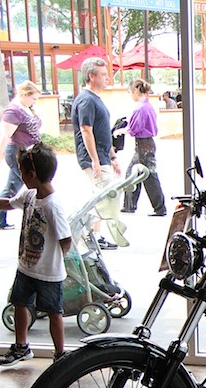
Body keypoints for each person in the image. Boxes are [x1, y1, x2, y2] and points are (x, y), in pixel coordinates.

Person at [0, 144, 71, 365]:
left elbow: (66, 239)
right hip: (26, 267)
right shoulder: (29, 195)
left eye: (21, 171)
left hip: (49, 274)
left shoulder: (53, 206)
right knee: (19, 303)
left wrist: (55, 261)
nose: (20, 175)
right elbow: (8, 204)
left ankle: (60, 355)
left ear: (32, 174)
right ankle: (21, 346)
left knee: (55, 312)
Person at [71, 57, 124, 250]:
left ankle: (93, 234)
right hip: (93, 158)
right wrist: (94, 160)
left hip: (102, 156)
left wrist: (112, 157)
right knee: (104, 196)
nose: (107, 78)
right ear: (91, 76)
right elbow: (86, 130)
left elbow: (103, 132)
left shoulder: (95, 99)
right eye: (103, 74)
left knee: (102, 195)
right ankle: (90, 233)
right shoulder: (86, 100)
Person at [0, 80, 43, 229]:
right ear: (24, 94)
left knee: (11, 188)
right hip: (18, 152)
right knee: (34, 185)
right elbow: (5, 135)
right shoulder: (13, 111)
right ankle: (38, 217)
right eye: (33, 98)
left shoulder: (26, 108)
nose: (34, 102)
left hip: (28, 151)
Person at [121, 79, 166, 217]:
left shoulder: (140, 108)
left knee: (145, 176)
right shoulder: (147, 106)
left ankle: (158, 207)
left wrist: (122, 130)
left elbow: (134, 128)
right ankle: (131, 205)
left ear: (135, 90)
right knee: (138, 174)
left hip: (143, 144)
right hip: (146, 144)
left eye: (130, 92)